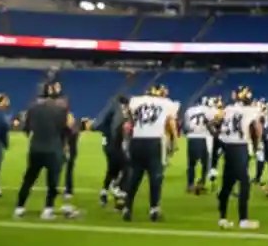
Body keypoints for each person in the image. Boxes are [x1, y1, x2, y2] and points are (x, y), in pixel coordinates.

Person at [14, 81, 79, 221]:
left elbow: (26, 129)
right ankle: (48, 209)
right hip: (54, 148)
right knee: (52, 182)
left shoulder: (32, 109)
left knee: (29, 179)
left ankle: (19, 207)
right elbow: (68, 130)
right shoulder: (61, 110)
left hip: (36, 147)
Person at [124, 83, 178, 222]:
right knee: (156, 176)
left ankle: (127, 207)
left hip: (137, 140)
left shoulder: (136, 101)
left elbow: (130, 119)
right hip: (154, 141)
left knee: (134, 176)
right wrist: (174, 142)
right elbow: (170, 122)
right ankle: (154, 209)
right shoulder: (166, 103)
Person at [217, 86, 261, 230]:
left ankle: (222, 218)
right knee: (244, 183)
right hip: (240, 146)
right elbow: (256, 128)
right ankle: (243, 219)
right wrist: (256, 146)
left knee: (227, 183)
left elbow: (214, 124)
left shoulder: (228, 109)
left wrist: (220, 139)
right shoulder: (252, 110)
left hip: (228, 146)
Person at [95, 95, 129, 208]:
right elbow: (115, 128)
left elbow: (101, 125)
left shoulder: (112, 109)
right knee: (125, 167)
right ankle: (117, 191)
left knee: (112, 169)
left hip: (109, 144)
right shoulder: (118, 111)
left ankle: (104, 193)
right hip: (114, 144)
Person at [184, 96, 222, 195]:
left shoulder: (189, 111)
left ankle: (190, 184)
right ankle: (202, 183)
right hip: (204, 138)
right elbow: (215, 122)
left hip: (191, 138)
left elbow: (186, 127)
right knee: (205, 163)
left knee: (191, 164)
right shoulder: (209, 111)